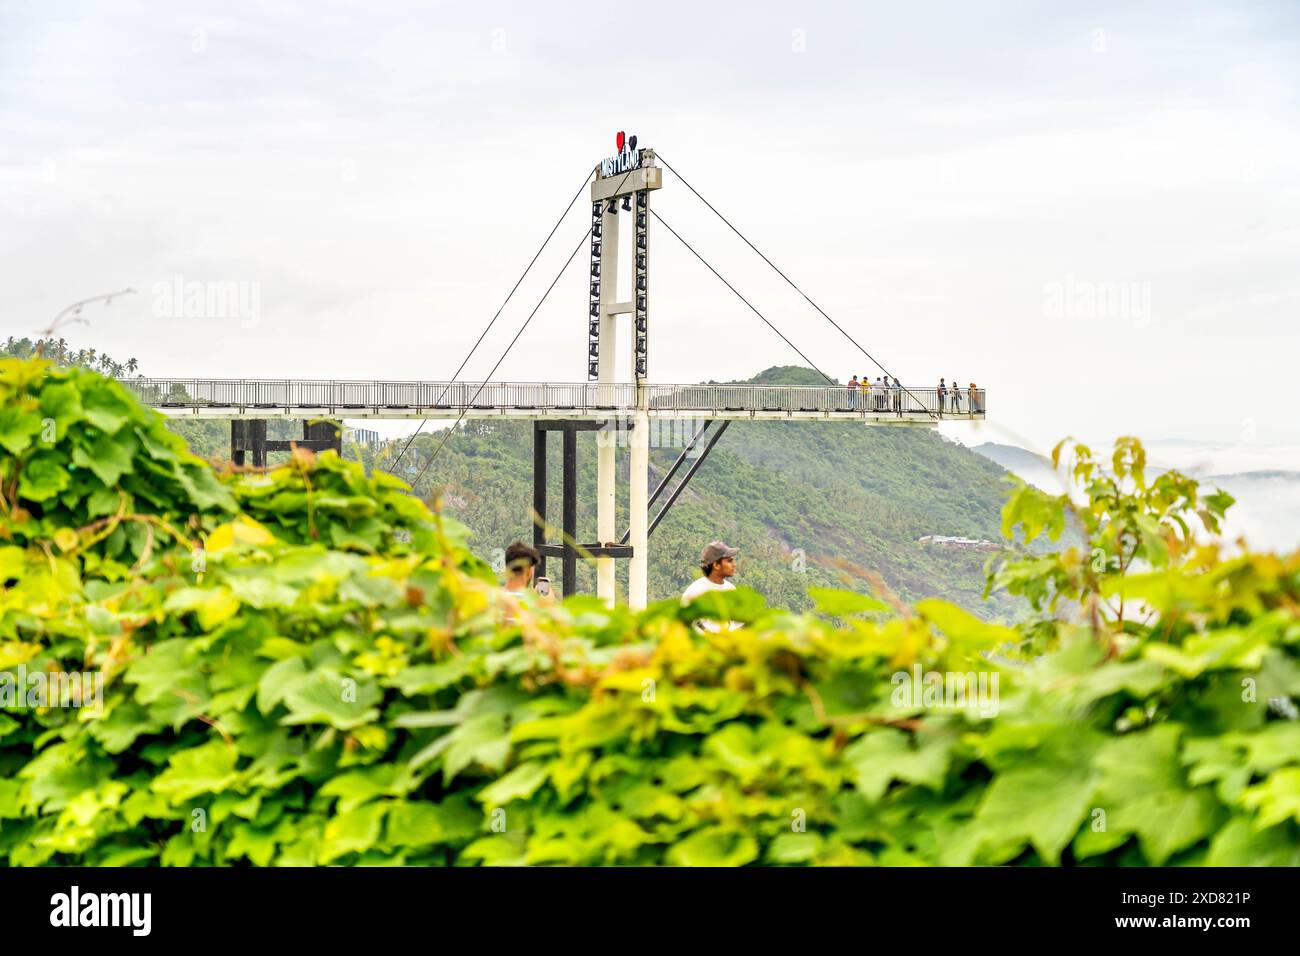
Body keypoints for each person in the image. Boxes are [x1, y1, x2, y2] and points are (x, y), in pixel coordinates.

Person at [682, 541, 741, 632]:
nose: (734, 564)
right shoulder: (695, 591)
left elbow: (736, 624)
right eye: (729, 561)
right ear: (716, 565)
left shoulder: (731, 589)